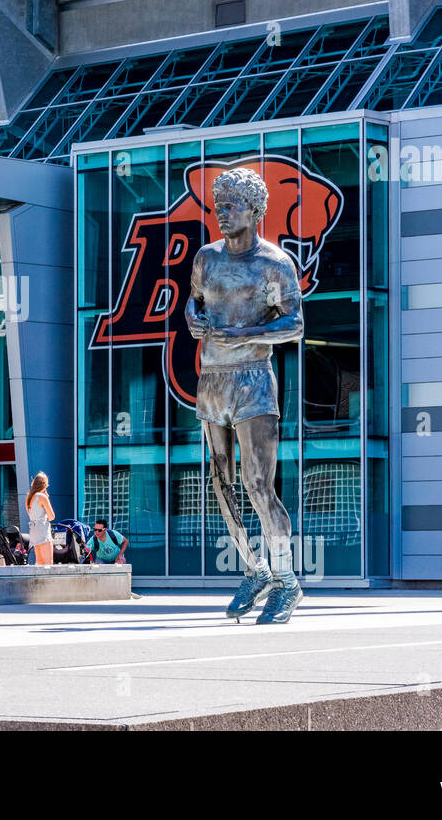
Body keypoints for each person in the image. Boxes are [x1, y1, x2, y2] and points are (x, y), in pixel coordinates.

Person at [185, 166, 305, 625]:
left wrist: (247, 334)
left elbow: (294, 325)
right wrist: (193, 317)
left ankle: (287, 580)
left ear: (255, 211)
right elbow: (193, 300)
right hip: (212, 379)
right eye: (219, 206)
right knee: (220, 483)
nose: (222, 214)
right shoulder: (206, 258)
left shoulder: (274, 263)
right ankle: (255, 570)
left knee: (259, 485)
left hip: (254, 377)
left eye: (232, 207)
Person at [25, 472, 55, 566]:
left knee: (39, 562)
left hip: (34, 530)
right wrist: (46, 497)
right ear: (44, 484)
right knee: (48, 563)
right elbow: (52, 516)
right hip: (42, 530)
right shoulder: (42, 497)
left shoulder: (29, 497)